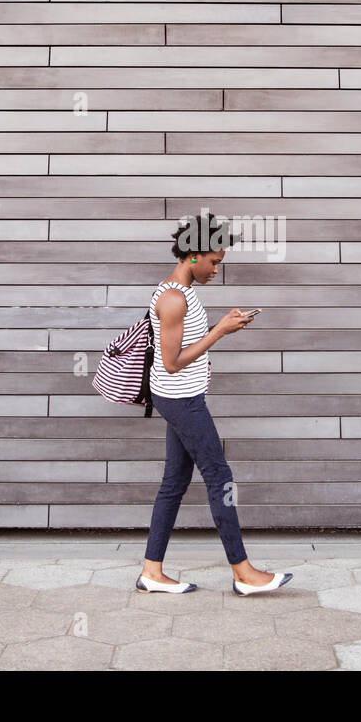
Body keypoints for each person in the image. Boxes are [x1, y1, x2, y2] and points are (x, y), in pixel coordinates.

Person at [135, 213, 293, 596]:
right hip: (180, 400)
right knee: (219, 477)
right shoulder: (173, 297)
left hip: (181, 397)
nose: (217, 270)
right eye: (215, 262)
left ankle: (151, 572)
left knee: (174, 482)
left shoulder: (182, 293)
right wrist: (220, 331)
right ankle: (243, 573)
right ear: (194, 255)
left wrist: (219, 325)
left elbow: (179, 346)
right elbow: (172, 363)